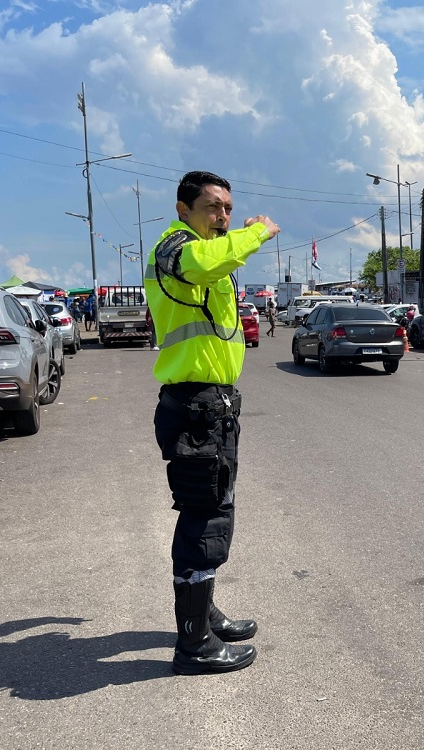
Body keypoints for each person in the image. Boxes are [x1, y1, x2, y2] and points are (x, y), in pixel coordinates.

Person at [145, 170, 279, 676]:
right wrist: (256, 232)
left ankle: (204, 616)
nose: (222, 216)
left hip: (214, 406)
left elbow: (214, 264)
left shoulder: (203, 253)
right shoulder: (175, 249)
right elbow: (203, 262)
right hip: (194, 406)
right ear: (183, 210)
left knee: (214, 510)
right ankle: (194, 645)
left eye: (227, 208)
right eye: (212, 207)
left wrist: (234, 238)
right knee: (204, 521)